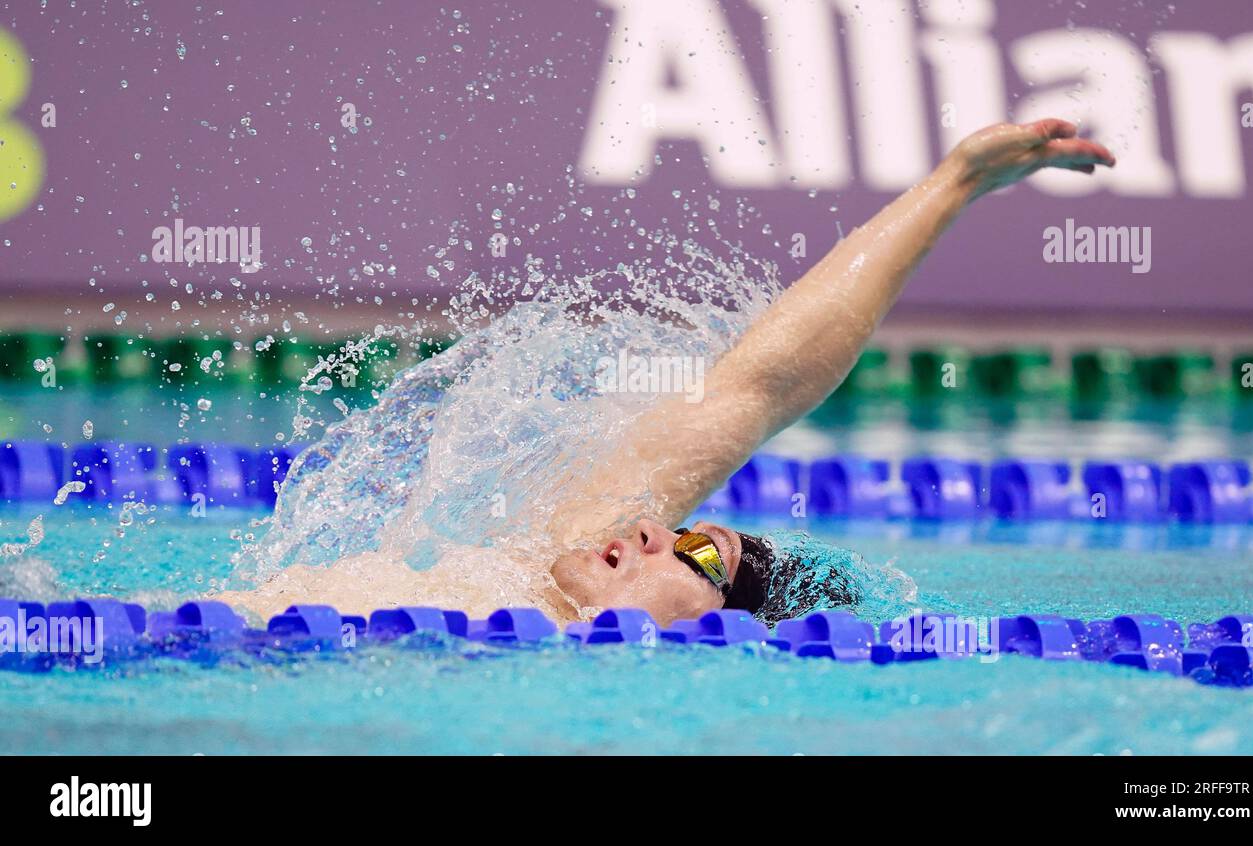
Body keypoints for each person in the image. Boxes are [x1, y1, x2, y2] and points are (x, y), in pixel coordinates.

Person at [221, 119, 1114, 627]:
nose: (655, 530)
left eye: (692, 553)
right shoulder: (529, 563)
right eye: (685, 530)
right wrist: (953, 183)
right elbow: (757, 386)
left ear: (714, 638)